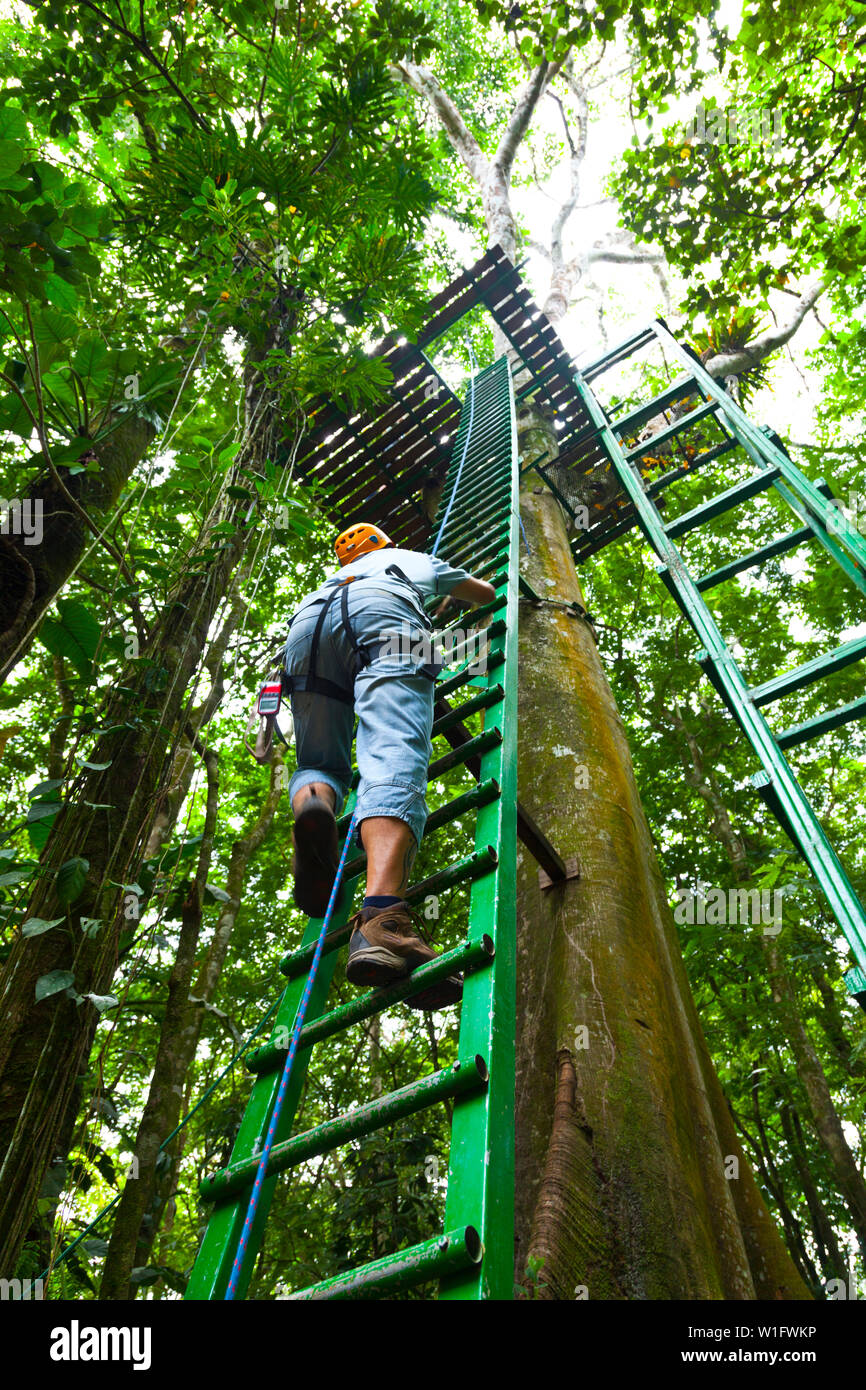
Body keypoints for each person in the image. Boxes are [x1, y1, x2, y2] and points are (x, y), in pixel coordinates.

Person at [282, 523, 496, 1011]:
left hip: (306, 631)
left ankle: (313, 808)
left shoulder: (333, 579)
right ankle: (383, 916)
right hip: (386, 615)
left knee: (318, 762)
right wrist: (479, 600)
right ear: (382, 543)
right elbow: (480, 592)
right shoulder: (409, 558)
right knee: (393, 748)